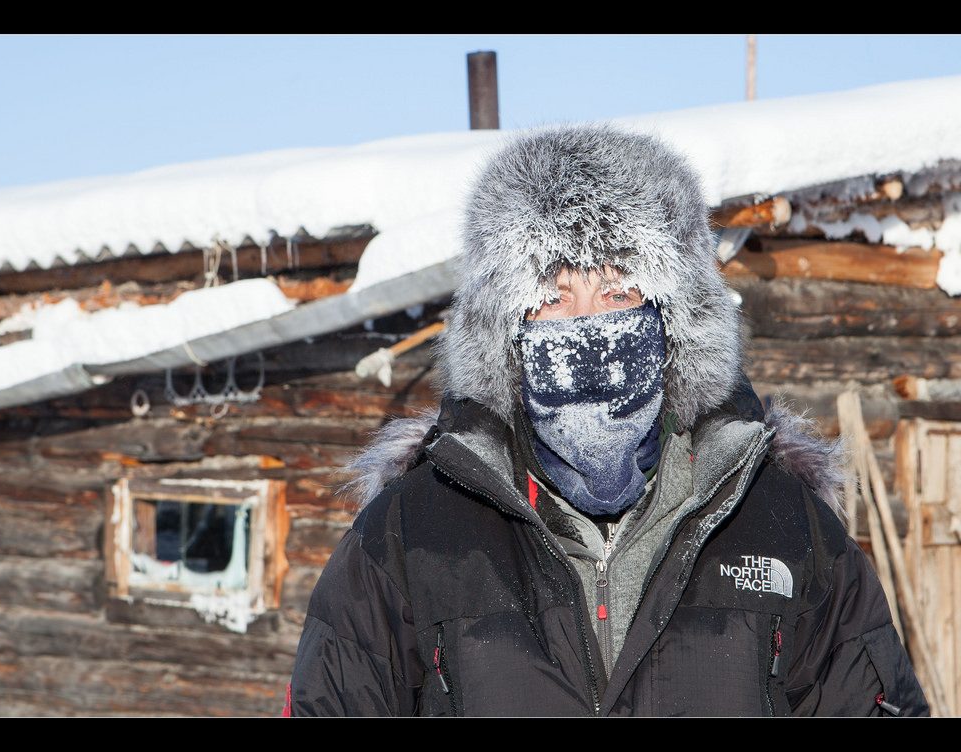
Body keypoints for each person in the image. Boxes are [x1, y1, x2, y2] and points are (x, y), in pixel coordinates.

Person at [285, 122, 931, 716]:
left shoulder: (783, 524)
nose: (589, 326)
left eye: (619, 292)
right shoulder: (411, 533)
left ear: (674, 324)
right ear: (505, 332)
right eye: (553, 297)